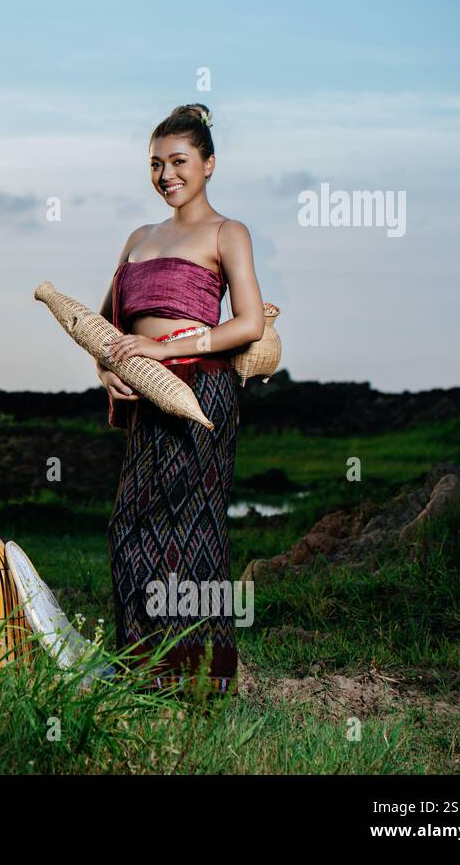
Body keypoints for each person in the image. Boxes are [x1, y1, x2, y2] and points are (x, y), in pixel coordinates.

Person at [95, 103, 265, 694]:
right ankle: (146, 672)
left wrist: (167, 349)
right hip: (149, 396)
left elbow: (248, 324)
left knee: (194, 529)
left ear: (209, 164)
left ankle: (204, 676)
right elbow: (106, 322)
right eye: (156, 164)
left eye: (179, 162)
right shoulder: (139, 238)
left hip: (203, 393)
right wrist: (106, 367)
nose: (166, 174)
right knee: (129, 527)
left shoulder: (227, 232)